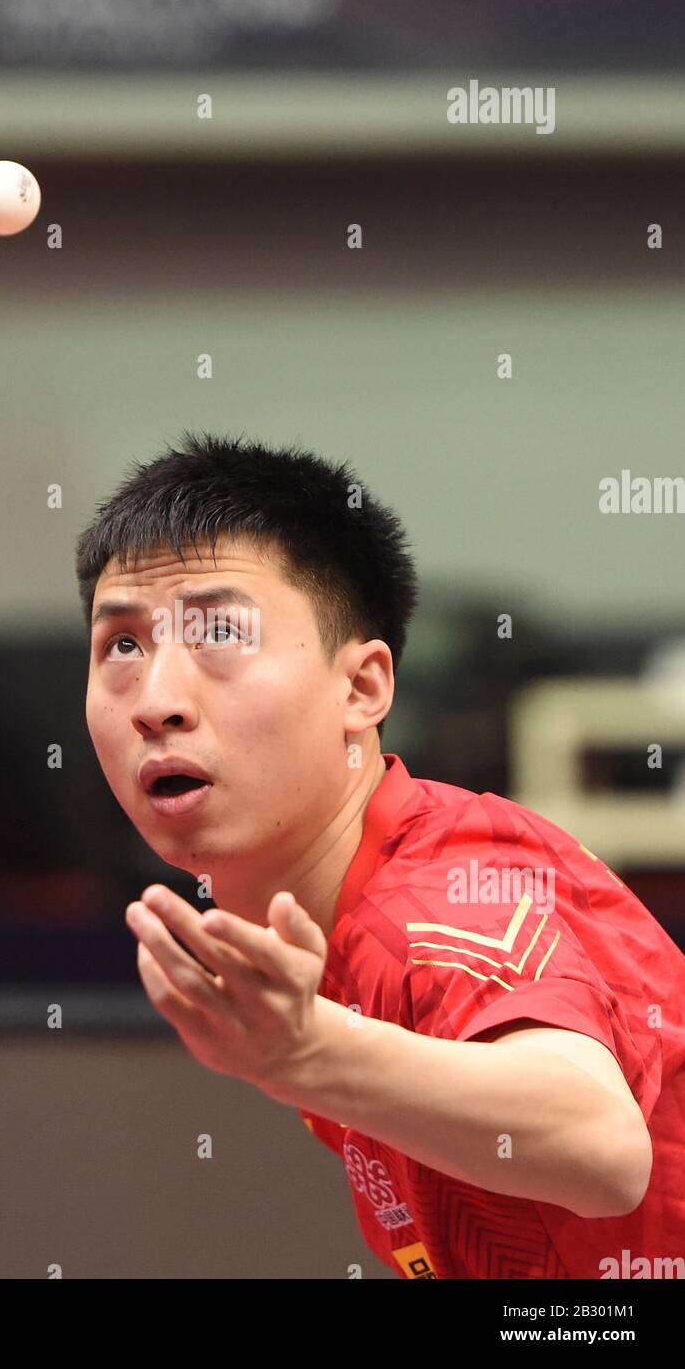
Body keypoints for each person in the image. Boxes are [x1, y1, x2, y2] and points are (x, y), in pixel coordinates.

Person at [75, 429, 685, 1279]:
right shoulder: (326, 930)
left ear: (361, 688)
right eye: (123, 646)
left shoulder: (436, 894)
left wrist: (313, 1054)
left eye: (219, 633)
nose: (158, 701)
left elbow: (602, 1148)